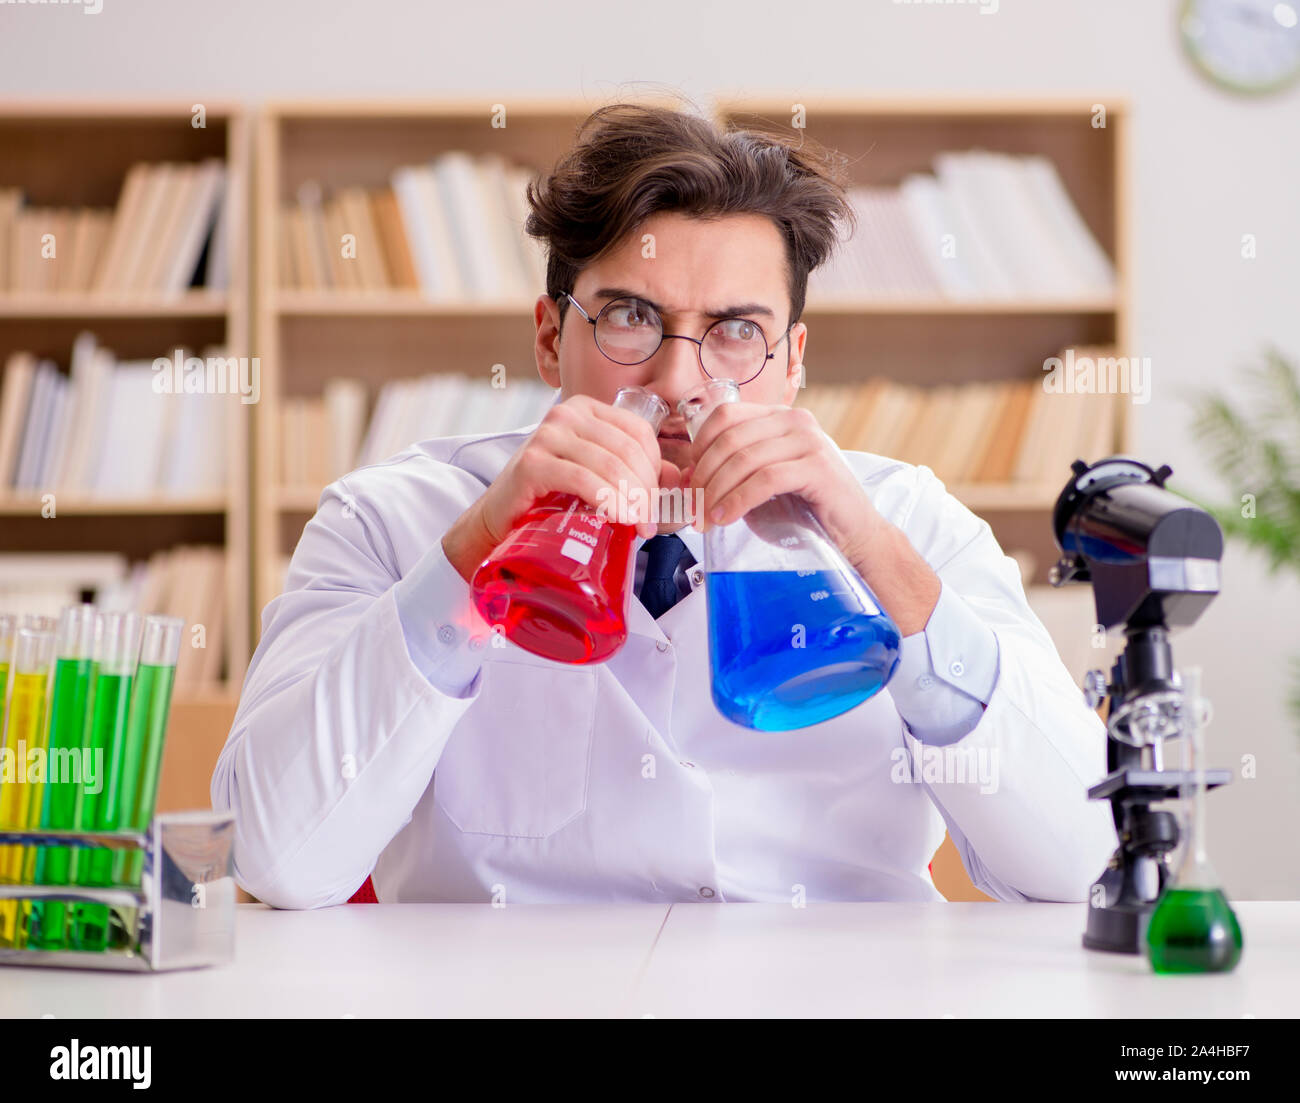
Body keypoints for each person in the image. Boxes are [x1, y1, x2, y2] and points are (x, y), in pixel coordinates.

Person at [213, 102, 1117, 909]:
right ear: (548, 335)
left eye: (736, 332)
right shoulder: (394, 518)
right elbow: (276, 859)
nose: (681, 379)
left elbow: (1081, 863)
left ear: (793, 361)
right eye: (630, 318)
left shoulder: (903, 522)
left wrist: (880, 563)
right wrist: (473, 554)